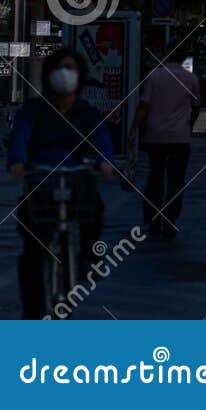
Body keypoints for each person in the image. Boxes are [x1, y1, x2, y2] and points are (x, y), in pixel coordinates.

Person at [8, 48, 115, 319]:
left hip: (76, 177)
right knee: (32, 251)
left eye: (71, 68)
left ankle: (89, 254)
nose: (65, 74)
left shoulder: (86, 112)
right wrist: (18, 161)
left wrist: (105, 161)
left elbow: (101, 138)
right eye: (59, 68)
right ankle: (32, 312)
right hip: (40, 180)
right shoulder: (34, 110)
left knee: (94, 208)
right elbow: (20, 136)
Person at [132, 42, 200, 238]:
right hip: (180, 137)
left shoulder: (154, 76)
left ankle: (153, 218)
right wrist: (188, 125)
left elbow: (144, 105)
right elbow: (196, 106)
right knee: (175, 180)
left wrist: (134, 129)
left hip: (156, 136)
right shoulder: (190, 79)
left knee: (155, 177)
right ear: (183, 57)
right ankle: (170, 220)